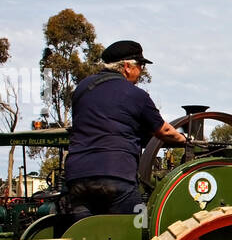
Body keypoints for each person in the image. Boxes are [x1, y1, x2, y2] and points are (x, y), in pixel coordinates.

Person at [64, 39, 189, 221]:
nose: (141, 72)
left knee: (84, 236)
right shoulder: (136, 95)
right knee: (141, 228)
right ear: (126, 67)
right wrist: (185, 140)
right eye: (140, 66)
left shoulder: (82, 89)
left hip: (77, 178)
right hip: (116, 176)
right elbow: (164, 131)